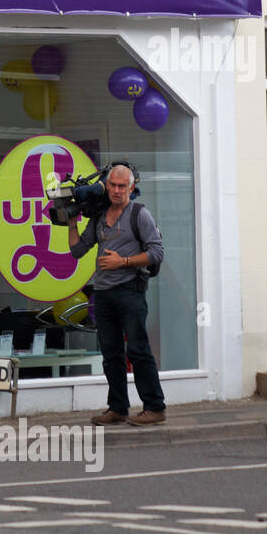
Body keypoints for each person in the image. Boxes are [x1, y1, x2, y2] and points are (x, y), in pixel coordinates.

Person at [67, 163, 167, 426]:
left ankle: (155, 408)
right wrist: (70, 221)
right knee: (111, 354)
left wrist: (122, 262)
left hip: (130, 291)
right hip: (103, 294)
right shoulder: (100, 216)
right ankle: (118, 408)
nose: (117, 190)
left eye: (123, 186)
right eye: (113, 185)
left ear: (131, 188)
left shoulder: (139, 214)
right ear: (106, 185)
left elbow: (157, 253)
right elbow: (78, 251)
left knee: (138, 350)